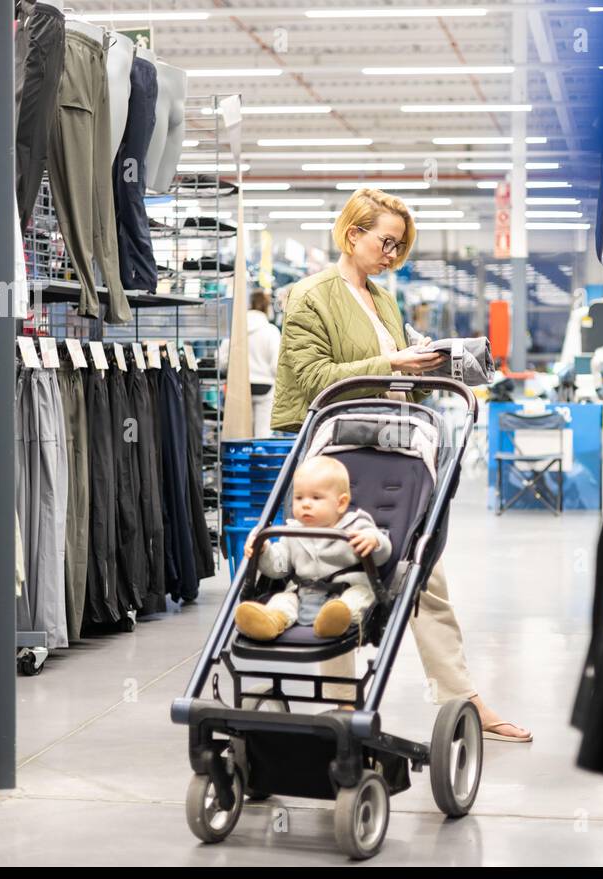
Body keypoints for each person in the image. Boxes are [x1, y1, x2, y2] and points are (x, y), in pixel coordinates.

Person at [269, 186, 532, 742]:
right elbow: (315, 380)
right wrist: (391, 360)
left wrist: (437, 363)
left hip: (390, 455)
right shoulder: (309, 297)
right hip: (331, 462)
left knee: (423, 573)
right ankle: (338, 708)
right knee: (334, 573)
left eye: (400, 246)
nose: (392, 255)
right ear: (353, 233)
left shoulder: (384, 300)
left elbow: (396, 371)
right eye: (386, 242)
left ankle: (462, 696)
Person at [235, 456, 391, 641]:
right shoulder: (292, 531)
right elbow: (279, 569)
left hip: (347, 589)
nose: (305, 504)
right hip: (302, 593)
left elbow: (382, 556)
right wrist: (264, 551)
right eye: (299, 498)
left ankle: (336, 619)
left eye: (316, 498)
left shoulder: (356, 525)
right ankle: (271, 620)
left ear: (341, 503)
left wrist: (374, 542)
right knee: (283, 600)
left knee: (359, 597)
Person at [218, 288, 281, 436]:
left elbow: (223, 360)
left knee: (239, 435)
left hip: (239, 386)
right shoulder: (271, 331)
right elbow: (276, 365)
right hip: (265, 387)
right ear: (267, 308)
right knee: (263, 434)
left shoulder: (236, 330)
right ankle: (260, 459)